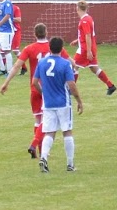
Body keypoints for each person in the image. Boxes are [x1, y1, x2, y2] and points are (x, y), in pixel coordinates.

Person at [0, 21, 64, 159]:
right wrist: (76, 67)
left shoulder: (29, 48)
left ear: (35, 34)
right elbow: (68, 60)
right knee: (48, 120)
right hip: (50, 89)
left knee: (38, 119)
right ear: (46, 33)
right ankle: (35, 146)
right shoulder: (53, 46)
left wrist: (6, 82)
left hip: (35, 88)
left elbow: (17, 66)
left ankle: (39, 151)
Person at [35, 37, 83, 173]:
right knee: (67, 131)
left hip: (48, 103)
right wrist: (79, 100)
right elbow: (71, 84)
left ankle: (43, 158)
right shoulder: (65, 64)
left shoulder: (42, 63)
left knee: (49, 132)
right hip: (63, 103)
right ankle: (70, 164)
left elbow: (34, 82)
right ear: (62, 49)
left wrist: (44, 93)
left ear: (49, 48)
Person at [73, 0, 117, 94]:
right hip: (91, 47)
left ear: (78, 8)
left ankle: (70, 90)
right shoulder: (88, 18)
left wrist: (88, 51)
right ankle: (110, 86)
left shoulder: (84, 21)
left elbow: (88, 35)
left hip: (85, 49)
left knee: (74, 66)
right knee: (94, 68)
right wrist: (77, 40)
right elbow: (86, 34)